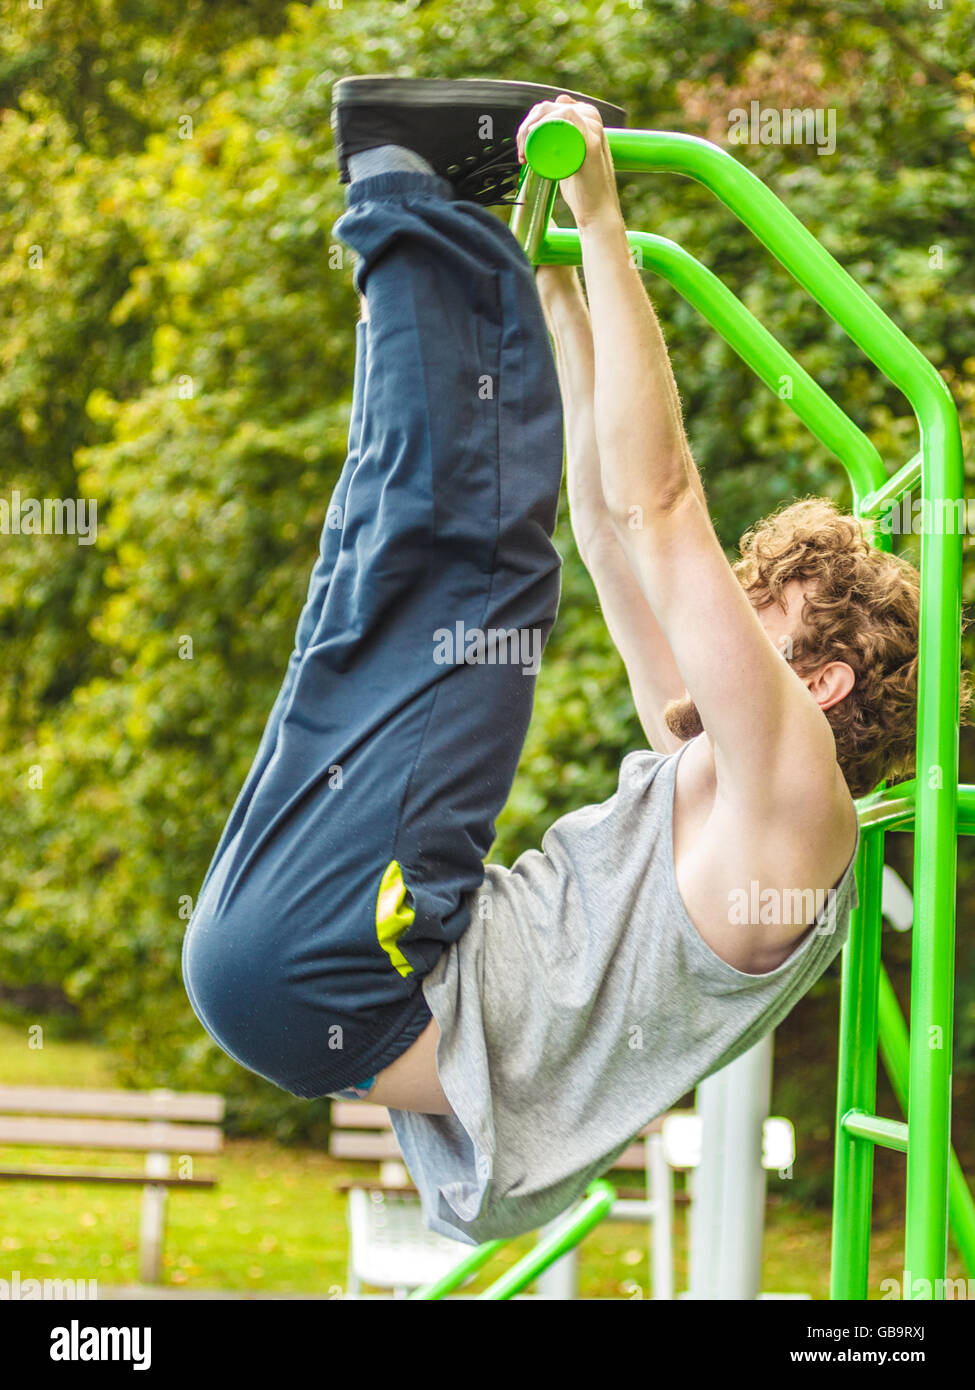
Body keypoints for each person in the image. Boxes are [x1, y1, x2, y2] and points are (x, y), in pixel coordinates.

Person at [181, 80, 931, 1246]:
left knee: (479, 592)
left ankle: (400, 187)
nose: (728, 608)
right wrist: (555, 298)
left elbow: (661, 501)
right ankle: (417, 211)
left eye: (762, 600)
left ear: (822, 678)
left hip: (340, 973)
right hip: (307, 958)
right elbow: (601, 515)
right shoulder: (703, 754)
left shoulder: (796, 804)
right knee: (372, 572)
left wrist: (605, 212)